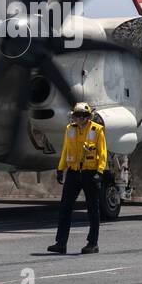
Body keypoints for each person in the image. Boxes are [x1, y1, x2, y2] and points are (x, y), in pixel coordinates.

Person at [48, 102, 107, 255]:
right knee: (65, 208)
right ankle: (60, 243)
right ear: (73, 116)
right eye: (78, 115)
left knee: (93, 210)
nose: (81, 118)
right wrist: (61, 169)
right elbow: (65, 150)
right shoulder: (70, 130)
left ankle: (92, 243)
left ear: (89, 117)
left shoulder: (97, 130)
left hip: (90, 173)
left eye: (84, 115)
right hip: (73, 173)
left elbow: (102, 153)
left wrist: (100, 172)